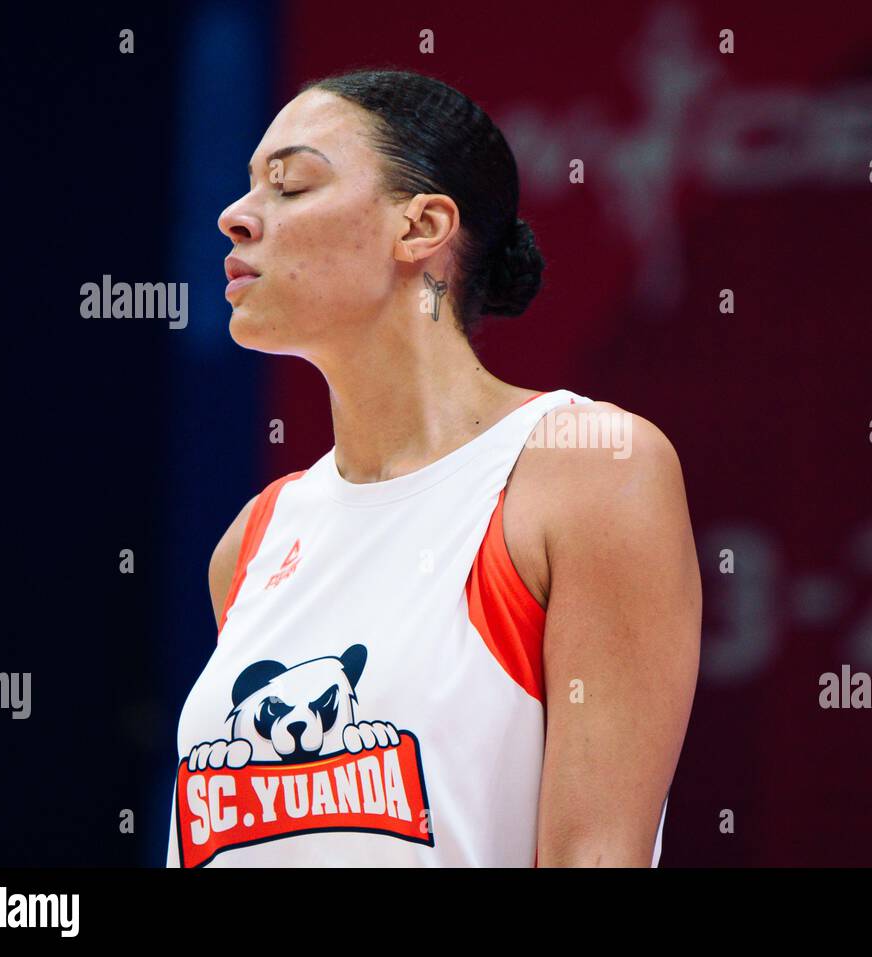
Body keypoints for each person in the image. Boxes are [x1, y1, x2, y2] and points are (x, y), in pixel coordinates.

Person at [166, 68, 700, 867]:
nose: (235, 216)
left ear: (421, 226)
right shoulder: (253, 539)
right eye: (249, 187)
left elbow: (597, 853)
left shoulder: (588, 469)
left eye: (290, 185)